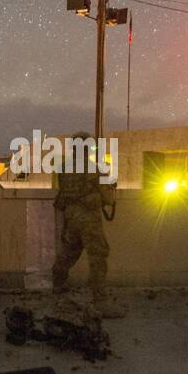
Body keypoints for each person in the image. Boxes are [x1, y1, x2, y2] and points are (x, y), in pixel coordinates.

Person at [50, 132, 125, 318]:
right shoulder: (94, 167)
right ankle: (100, 301)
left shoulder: (64, 167)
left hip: (71, 216)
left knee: (70, 250)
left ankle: (58, 284)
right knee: (98, 255)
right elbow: (107, 198)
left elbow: (62, 192)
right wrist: (109, 188)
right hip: (89, 218)